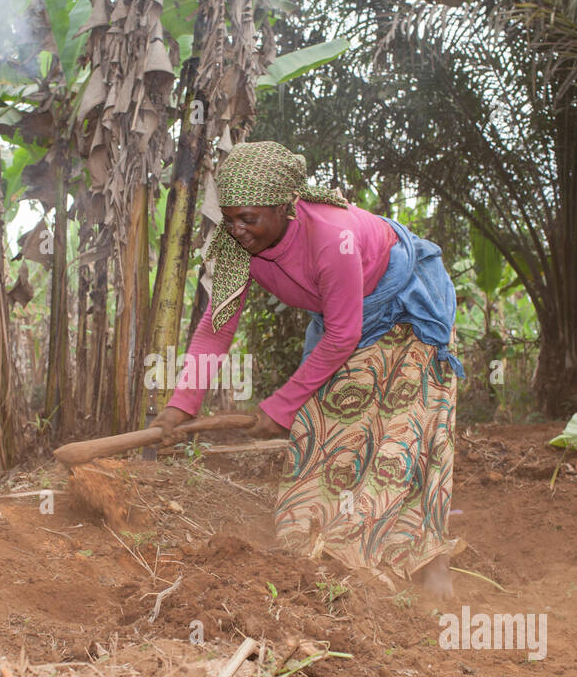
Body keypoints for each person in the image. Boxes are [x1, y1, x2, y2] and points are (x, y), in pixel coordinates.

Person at [151, 141, 465, 597]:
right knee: (321, 430)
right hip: (350, 325)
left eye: (249, 219)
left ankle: (426, 562)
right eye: (230, 217)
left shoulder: (330, 236)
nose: (237, 230)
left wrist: (279, 406)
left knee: (403, 439)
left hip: (407, 313)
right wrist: (181, 405)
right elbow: (216, 328)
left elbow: (341, 334)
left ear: (284, 208)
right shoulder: (237, 246)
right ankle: (322, 551)